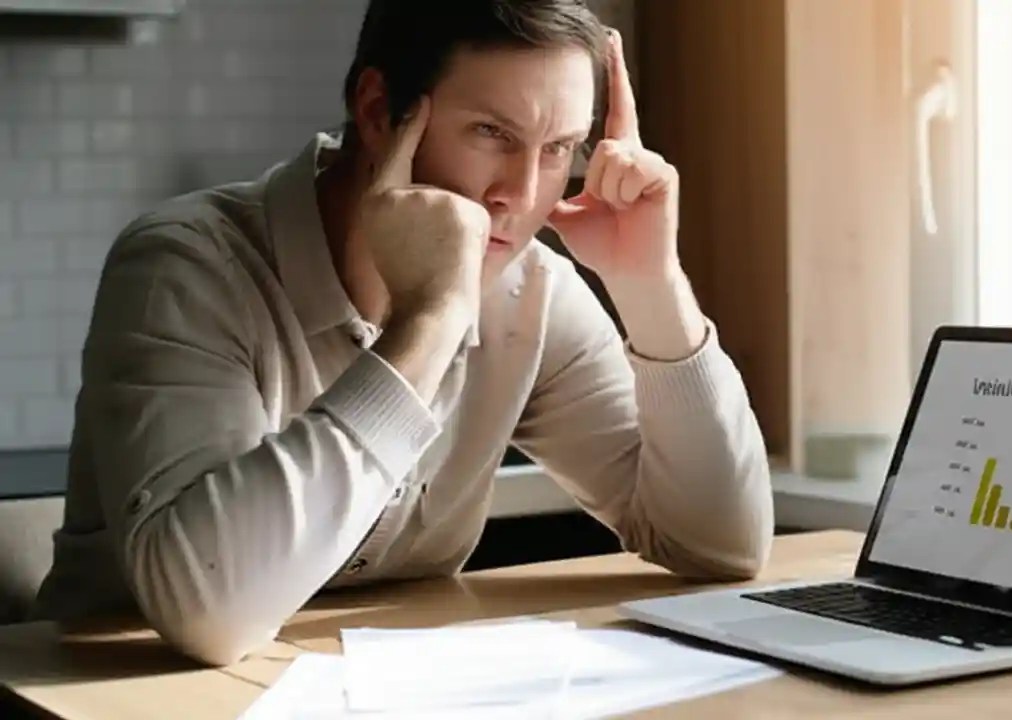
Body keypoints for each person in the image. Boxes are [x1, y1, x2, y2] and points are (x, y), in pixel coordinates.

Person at [33, 0, 773, 666]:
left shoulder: (532, 292)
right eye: (492, 133)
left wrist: (650, 283)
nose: (520, 195)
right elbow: (209, 617)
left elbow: (721, 545)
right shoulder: (186, 265)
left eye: (557, 149)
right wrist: (431, 318)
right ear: (378, 110)